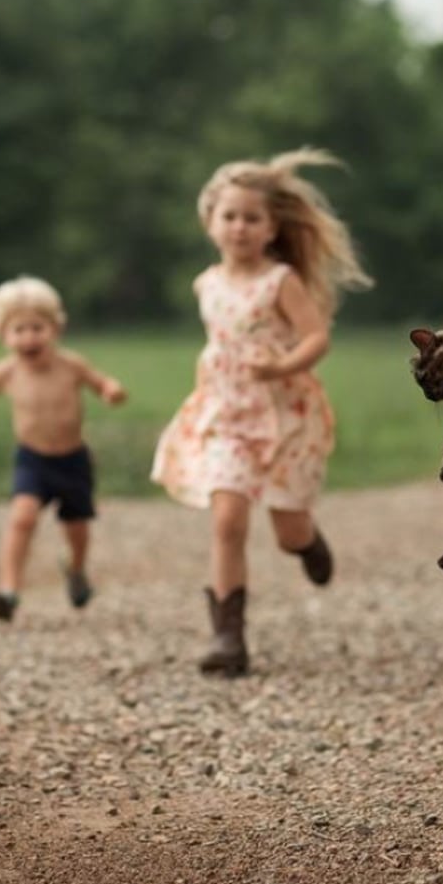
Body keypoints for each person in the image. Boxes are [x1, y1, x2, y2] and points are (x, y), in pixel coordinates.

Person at [152, 149, 372, 675]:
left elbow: (316, 338)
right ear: (210, 222)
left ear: (272, 227)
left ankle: (307, 541)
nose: (240, 227)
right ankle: (228, 639)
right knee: (227, 518)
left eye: (252, 218)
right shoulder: (207, 284)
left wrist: (281, 367)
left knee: (286, 528)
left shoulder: (279, 282)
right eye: (229, 216)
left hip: (284, 417)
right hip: (227, 416)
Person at [0, 276, 126, 623]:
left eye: (37, 327)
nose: (29, 337)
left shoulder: (71, 365)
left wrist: (111, 390)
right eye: (18, 330)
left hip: (72, 459)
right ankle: (9, 591)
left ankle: (76, 569)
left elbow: (99, 382)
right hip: (33, 459)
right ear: (3, 336)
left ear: (55, 329)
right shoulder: (5, 372)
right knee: (22, 517)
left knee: (77, 527)